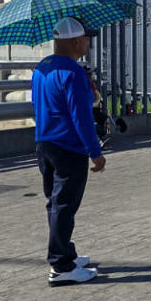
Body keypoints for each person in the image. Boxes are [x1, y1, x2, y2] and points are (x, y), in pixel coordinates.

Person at [32, 17, 105, 286]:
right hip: (68, 146)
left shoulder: (42, 67)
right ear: (75, 41)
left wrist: (87, 92)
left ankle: (66, 253)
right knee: (64, 205)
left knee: (55, 202)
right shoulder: (73, 72)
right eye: (86, 39)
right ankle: (61, 265)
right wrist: (95, 151)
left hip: (45, 143)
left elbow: (38, 104)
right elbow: (81, 117)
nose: (87, 43)